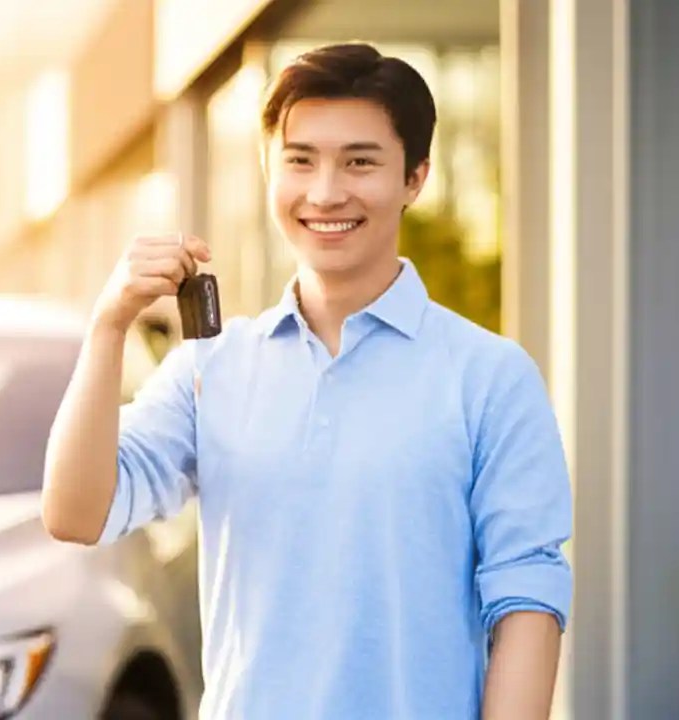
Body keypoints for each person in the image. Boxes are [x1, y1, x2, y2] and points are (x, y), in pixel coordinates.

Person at [42, 42, 572, 720]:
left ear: (415, 178)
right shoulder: (212, 367)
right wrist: (107, 327)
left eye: (360, 161)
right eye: (300, 160)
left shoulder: (490, 377)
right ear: (269, 171)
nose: (325, 193)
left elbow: (527, 598)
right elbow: (74, 513)